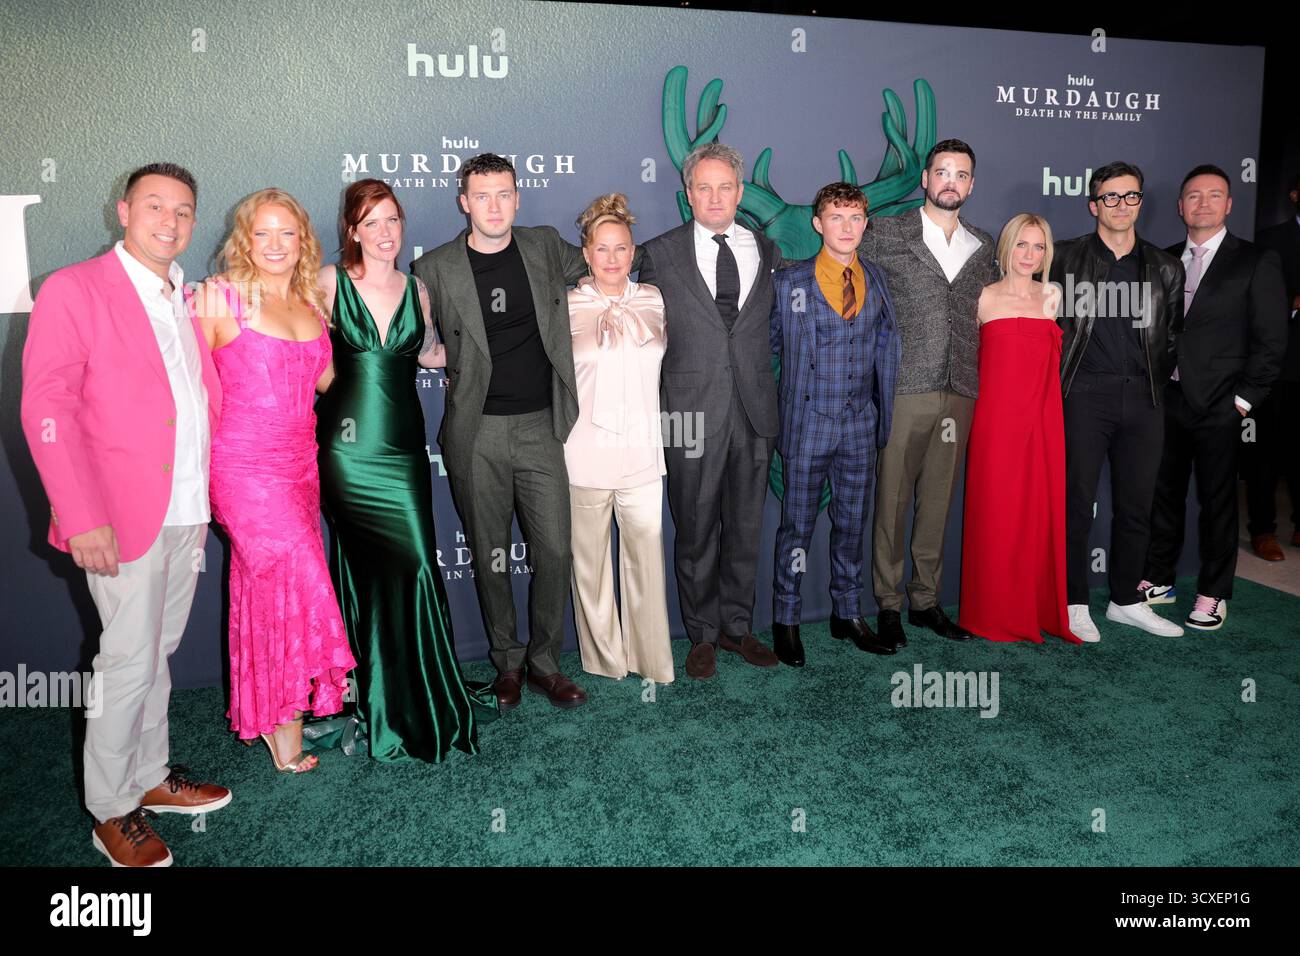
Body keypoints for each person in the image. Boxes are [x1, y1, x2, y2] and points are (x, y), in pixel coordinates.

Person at [21, 163, 231, 867]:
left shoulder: (182, 295)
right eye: (155, 206)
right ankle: (111, 808)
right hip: (117, 514)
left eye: (183, 211)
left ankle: (149, 774)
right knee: (126, 659)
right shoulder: (74, 288)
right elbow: (46, 407)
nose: (169, 221)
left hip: (185, 508)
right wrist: (81, 515)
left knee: (154, 653)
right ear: (123, 210)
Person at [316, 178, 496, 760]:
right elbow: (299, 352)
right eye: (371, 222)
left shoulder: (417, 290)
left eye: (392, 220)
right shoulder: (327, 282)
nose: (385, 233)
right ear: (352, 230)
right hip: (349, 453)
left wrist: (492, 349)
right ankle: (380, 703)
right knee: (370, 577)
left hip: (405, 452)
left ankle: (425, 691)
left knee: (418, 566)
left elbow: (425, 354)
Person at [411, 154, 591, 710]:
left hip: (541, 426)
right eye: (482, 195)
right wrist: (424, 349)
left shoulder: (543, 245)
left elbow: (602, 263)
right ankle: (507, 664)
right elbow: (405, 327)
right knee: (488, 553)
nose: (494, 206)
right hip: (476, 432)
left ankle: (544, 663)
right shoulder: (435, 268)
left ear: (518, 197)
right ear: (464, 202)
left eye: (504, 194)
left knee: (555, 551)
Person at [194, 188, 355, 772]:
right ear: (244, 239)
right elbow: (185, 386)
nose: (275, 245)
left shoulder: (310, 305)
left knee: (271, 595)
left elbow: (327, 383)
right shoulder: (220, 299)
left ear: (303, 239)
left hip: (299, 467)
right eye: (262, 233)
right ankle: (289, 711)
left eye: (286, 233)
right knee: (302, 577)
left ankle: (278, 720)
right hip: (241, 469)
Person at [638, 142, 783, 679]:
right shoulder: (658, 252)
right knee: (695, 526)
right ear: (688, 194)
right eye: (704, 187)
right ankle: (699, 634)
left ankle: (737, 627)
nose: (715, 197)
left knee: (746, 526)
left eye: (725, 187)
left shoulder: (766, 250)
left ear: (740, 193)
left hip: (752, 409)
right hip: (687, 413)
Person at [860, 138, 999, 649]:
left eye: (961, 175)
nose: (950, 182)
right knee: (892, 501)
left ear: (971, 185)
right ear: (925, 178)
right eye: (942, 172)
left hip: (960, 389)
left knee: (937, 501)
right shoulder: (886, 233)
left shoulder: (984, 247)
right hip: (904, 389)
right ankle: (889, 604)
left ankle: (925, 601)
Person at [1137, 165, 1287, 630]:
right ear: (1181, 207)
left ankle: (1213, 593)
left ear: (1228, 205)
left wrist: (1243, 402)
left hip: (1222, 406)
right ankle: (1159, 578)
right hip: (1168, 399)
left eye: (1214, 195)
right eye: (1194, 196)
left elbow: (1271, 340)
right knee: (1164, 495)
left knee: (1219, 502)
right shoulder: (1160, 259)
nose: (1203, 203)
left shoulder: (1255, 261)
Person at [1051, 161, 1185, 640]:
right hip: (1084, 395)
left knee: (1136, 507)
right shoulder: (1063, 258)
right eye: (1111, 197)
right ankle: (1072, 601)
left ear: (1141, 202)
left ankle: (1126, 599)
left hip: (1145, 398)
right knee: (1076, 504)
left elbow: (1170, 337)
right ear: (1094, 205)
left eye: (1130, 196)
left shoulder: (1166, 267)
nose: (1121, 205)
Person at [769, 182, 900, 665]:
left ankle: (847, 613)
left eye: (855, 218)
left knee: (851, 525)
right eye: (836, 218)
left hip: (860, 425)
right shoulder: (789, 283)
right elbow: (770, 353)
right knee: (796, 528)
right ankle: (786, 618)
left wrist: (878, 412)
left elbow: (885, 349)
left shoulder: (880, 280)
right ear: (818, 224)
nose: (847, 227)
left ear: (865, 224)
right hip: (806, 425)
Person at [564, 193, 673, 683]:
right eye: (602, 249)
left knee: (646, 561)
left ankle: (651, 659)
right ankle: (605, 661)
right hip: (583, 452)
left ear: (633, 252)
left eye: (622, 248)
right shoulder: (564, 306)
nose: (612, 259)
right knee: (589, 567)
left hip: (643, 455)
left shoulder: (653, 298)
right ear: (585, 254)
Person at [959, 214, 1081, 645]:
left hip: (1043, 421)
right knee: (995, 514)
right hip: (995, 424)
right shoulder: (983, 297)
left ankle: (1035, 606)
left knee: (1036, 514)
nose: (1030, 255)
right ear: (1006, 247)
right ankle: (990, 611)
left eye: (1039, 247)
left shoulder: (1052, 295)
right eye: (1022, 245)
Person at [1246, 172, 1300, 560]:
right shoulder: (1269, 241)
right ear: (1294, 194)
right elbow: (1256, 304)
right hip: (1277, 366)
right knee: (1264, 451)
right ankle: (1263, 530)